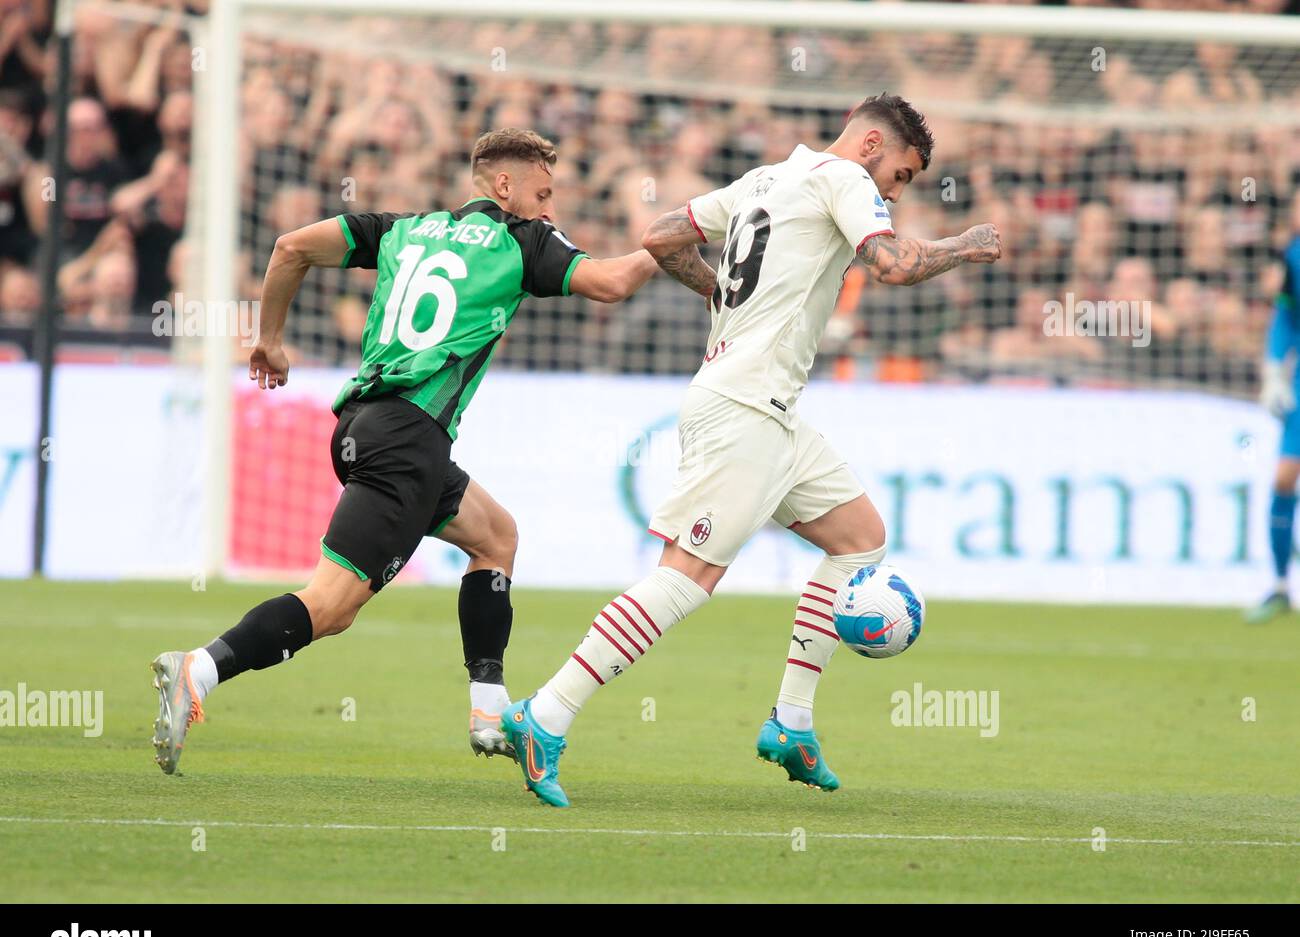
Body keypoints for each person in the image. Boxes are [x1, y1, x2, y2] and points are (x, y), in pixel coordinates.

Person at [498, 94, 1001, 807]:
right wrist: (967, 244)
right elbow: (890, 265)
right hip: (743, 408)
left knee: (861, 540)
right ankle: (544, 714)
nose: (895, 190)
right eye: (902, 173)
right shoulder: (846, 181)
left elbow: (662, 233)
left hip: (770, 410)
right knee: (685, 578)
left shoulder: (766, 179)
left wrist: (722, 295)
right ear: (868, 146)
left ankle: (791, 721)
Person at [150, 127, 659, 774]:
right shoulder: (520, 239)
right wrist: (663, 246)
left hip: (362, 426)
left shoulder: (400, 229)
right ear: (504, 186)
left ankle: (488, 708)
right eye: (542, 191)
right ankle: (199, 668)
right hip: (410, 440)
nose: (549, 208)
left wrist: (269, 339)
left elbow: (290, 247)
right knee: (330, 606)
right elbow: (612, 283)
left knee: (496, 536)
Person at [1246, 217, 1300, 623]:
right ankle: (1281, 585)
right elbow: (1285, 316)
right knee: (1284, 477)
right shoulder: (1294, 256)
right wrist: (1272, 370)